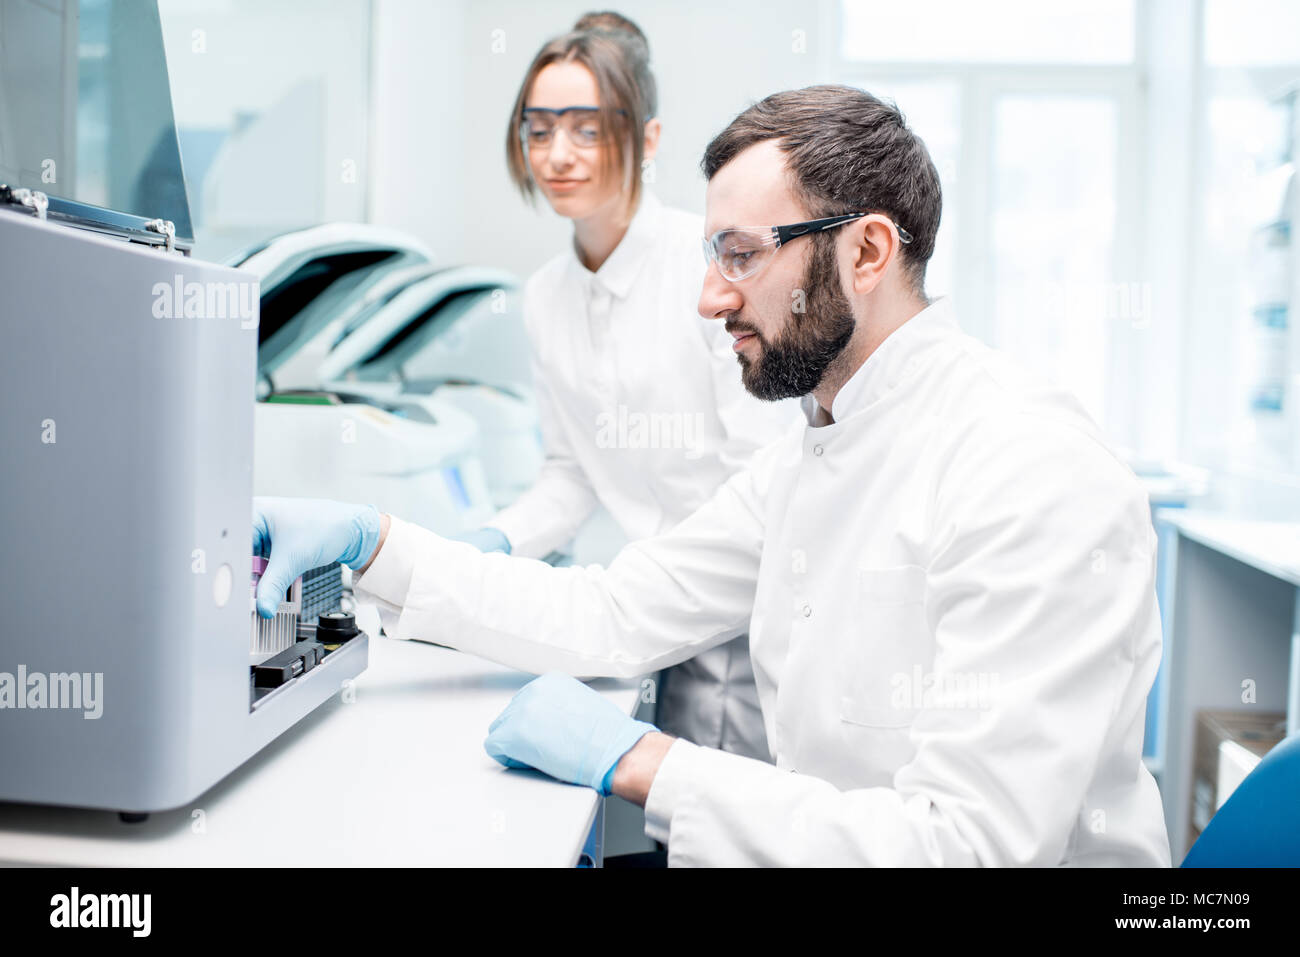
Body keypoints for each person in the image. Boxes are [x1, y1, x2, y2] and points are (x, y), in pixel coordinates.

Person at [254, 85, 1172, 866]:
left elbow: (964, 848)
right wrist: (376, 543)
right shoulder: (812, 453)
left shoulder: (1028, 468)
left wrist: (646, 763)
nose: (710, 297)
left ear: (866, 252)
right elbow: (611, 613)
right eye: (711, 255)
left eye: (742, 254)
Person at [455, 13, 796, 763]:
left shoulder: (708, 269)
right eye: (538, 130)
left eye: (587, 129)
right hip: (656, 612)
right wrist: (493, 544)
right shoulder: (546, 297)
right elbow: (571, 472)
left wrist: (639, 590)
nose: (558, 155)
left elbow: (760, 470)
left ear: (646, 140)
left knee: (744, 816)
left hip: (744, 607)